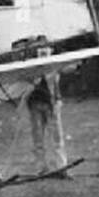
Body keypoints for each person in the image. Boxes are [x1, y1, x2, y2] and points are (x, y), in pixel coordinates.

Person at [26, 46, 67, 174]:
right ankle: (41, 169)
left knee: (57, 138)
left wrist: (57, 101)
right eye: (41, 53)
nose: (43, 55)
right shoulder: (32, 69)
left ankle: (61, 167)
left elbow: (55, 83)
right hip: (36, 104)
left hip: (51, 104)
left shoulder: (54, 68)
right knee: (38, 139)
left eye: (46, 53)